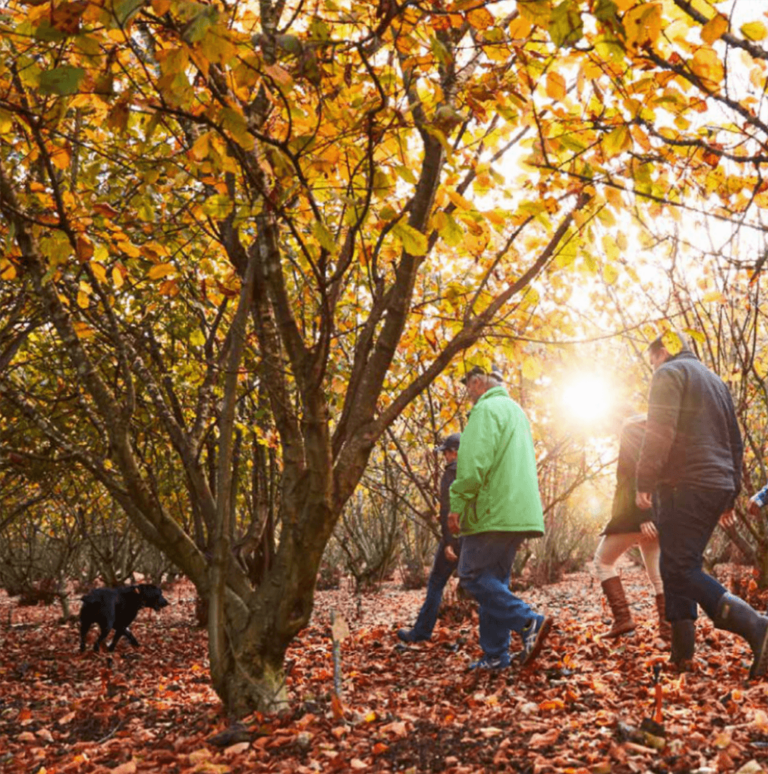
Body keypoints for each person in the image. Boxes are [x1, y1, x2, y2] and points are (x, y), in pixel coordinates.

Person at [635, 332, 768, 675]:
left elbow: (659, 431)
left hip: (685, 483)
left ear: (662, 351)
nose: (653, 368)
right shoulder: (716, 382)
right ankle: (682, 653)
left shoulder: (669, 373)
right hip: (715, 484)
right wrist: (731, 493)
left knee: (680, 567)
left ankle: (756, 625)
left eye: (652, 361)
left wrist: (644, 480)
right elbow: (735, 442)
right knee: (675, 564)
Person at [448, 364, 552, 670]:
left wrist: (458, 502)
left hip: (492, 511)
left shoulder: (486, 410)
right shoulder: (515, 411)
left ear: (479, 382)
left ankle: (528, 621)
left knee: (472, 576)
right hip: (516, 512)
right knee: (494, 583)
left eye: (468, 385)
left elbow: (474, 465)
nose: (468, 393)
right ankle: (495, 655)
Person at [594, 414, 670, 641]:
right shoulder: (658, 427)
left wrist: (643, 515)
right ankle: (667, 629)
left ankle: (622, 618)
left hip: (636, 513)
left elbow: (637, 470)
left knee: (603, 561)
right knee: (657, 576)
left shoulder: (632, 427)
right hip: (656, 512)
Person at [398, 432, 462, 643]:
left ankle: (421, 632)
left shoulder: (451, 473)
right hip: (474, 536)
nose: (445, 457)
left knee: (436, 581)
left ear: (454, 452)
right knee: (481, 582)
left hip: (455, 537)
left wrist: (449, 543)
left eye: (446, 453)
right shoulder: (476, 472)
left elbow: (447, 510)